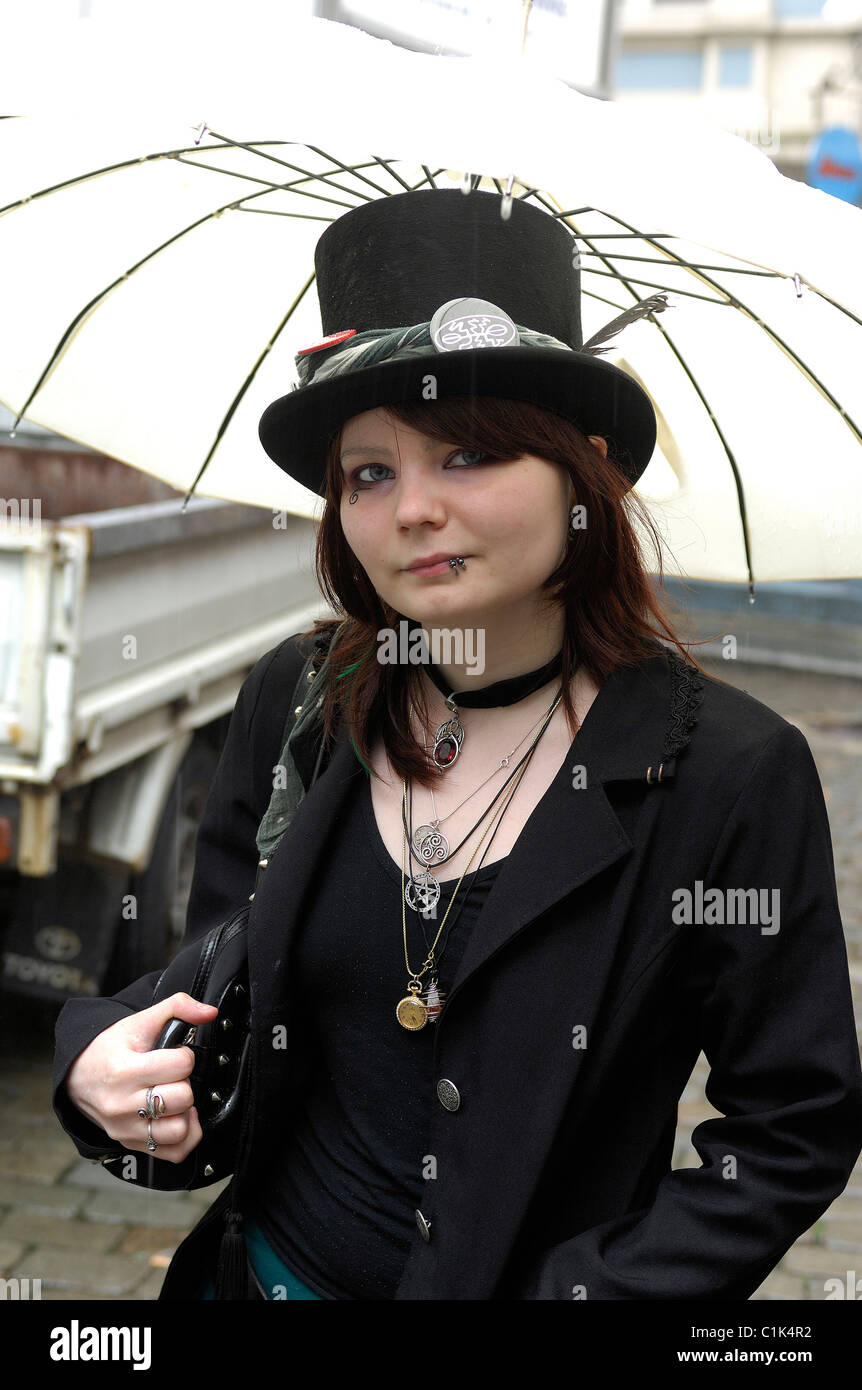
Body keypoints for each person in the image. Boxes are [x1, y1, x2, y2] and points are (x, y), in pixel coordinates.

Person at [53, 188, 862, 1301]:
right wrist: (99, 1061)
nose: (411, 510)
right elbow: (204, 989)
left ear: (587, 473)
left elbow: (792, 1124)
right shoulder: (303, 697)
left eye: (469, 453)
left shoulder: (727, 772)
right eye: (368, 472)